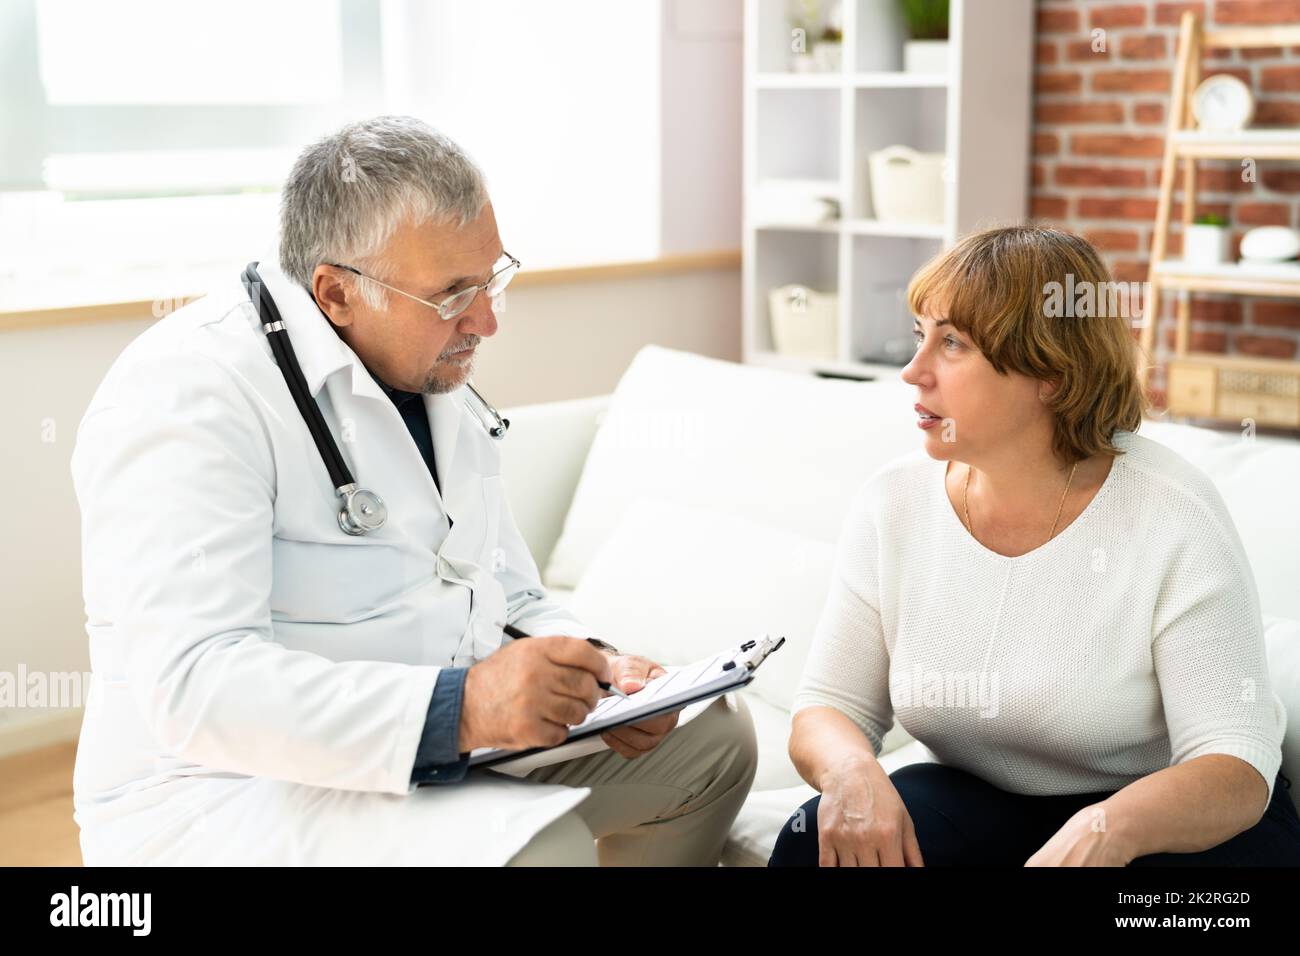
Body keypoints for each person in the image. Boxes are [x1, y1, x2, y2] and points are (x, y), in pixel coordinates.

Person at [71, 115, 756, 866]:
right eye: (454, 293)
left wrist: (600, 669)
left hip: (437, 739)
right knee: (542, 848)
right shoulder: (189, 393)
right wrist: (460, 710)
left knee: (713, 742)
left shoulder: (423, 373)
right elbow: (197, 687)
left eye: (493, 278)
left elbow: (507, 595)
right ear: (335, 292)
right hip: (225, 790)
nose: (487, 321)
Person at [769, 225, 1300, 866]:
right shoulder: (894, 502)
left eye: (953, 344)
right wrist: (851, 770)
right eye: (920, 336)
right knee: (814, 845)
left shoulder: (1172, 513)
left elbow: (1234, 763)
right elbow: (829, 706)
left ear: (1049, 374)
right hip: (986, 799)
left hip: (1175, 818)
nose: (913, 372)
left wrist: (1106, 828)